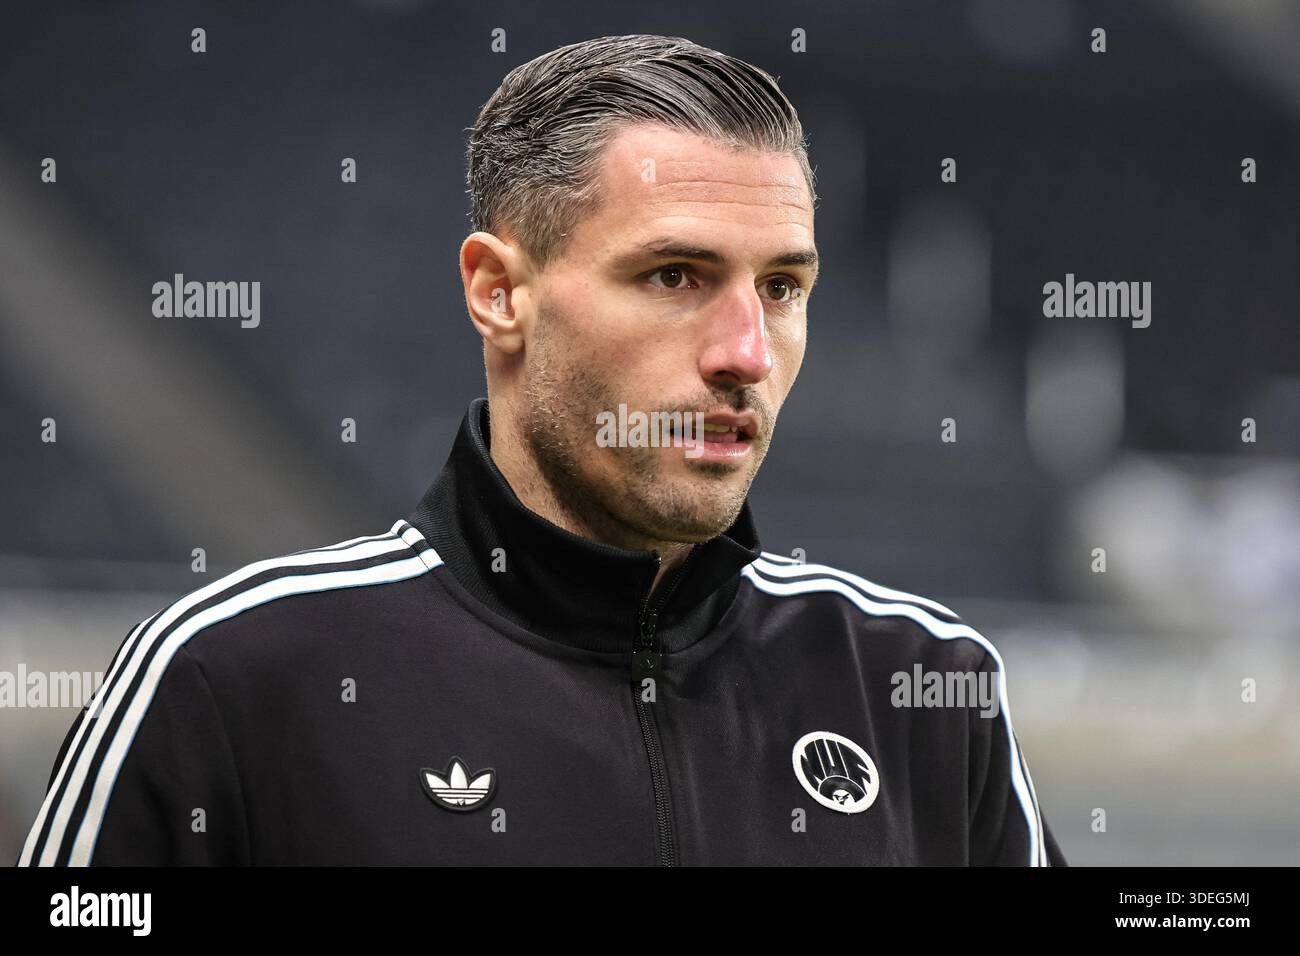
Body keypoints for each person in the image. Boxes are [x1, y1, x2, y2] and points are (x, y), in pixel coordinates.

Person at [18, 33, 1065, 866]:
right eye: (674, 276)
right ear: (498, 290)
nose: (746, 351)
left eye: (782, 287)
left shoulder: (920, 685)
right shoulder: (230, 681)